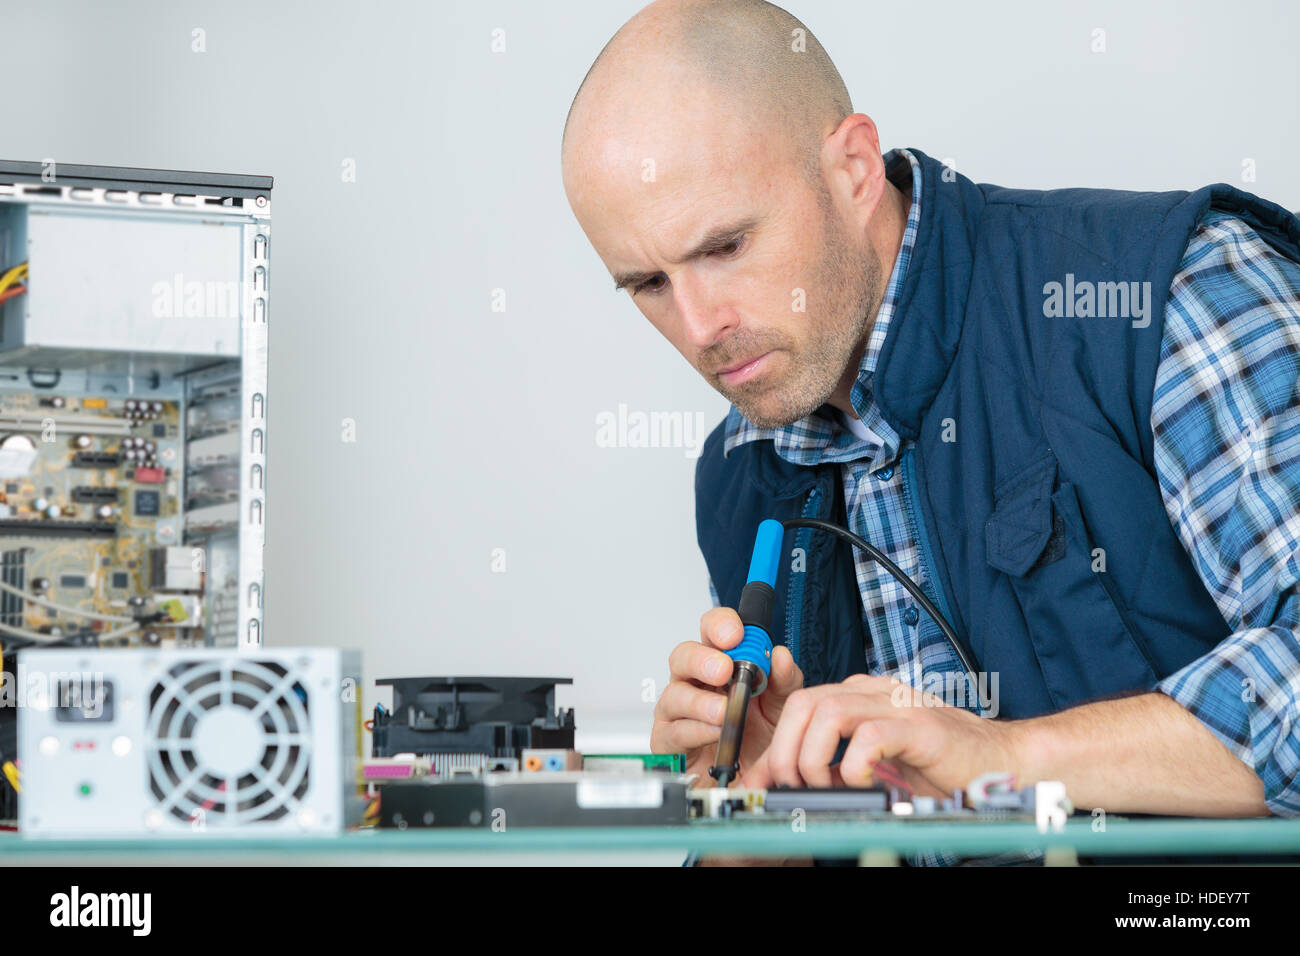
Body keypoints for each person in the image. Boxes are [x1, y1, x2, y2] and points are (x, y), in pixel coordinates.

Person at [561, 0, 1300, 863]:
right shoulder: (738, 474)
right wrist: (750, 827)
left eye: (725, 245)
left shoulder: (1173, 290)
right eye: (648, 283)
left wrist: (1009, 757)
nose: (699, 325)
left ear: (855, 167)